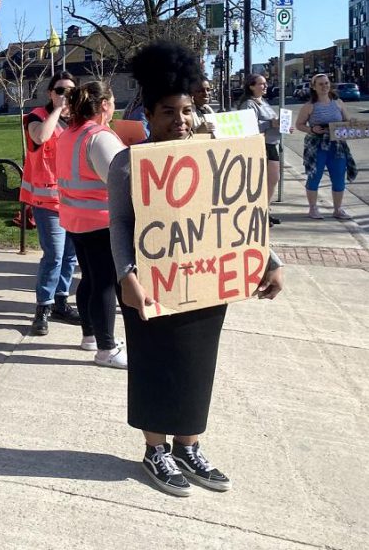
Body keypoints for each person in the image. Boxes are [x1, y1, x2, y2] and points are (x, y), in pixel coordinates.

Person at [109, 41, 284, 497]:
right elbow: (121, 224)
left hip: (207, 280)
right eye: (168, 112)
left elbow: (237, 214)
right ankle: (155, 450)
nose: (180, 121)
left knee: (196, 363)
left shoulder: (213, 154)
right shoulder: (127, 164)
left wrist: (271, 260)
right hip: (149, 283)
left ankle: (188, 445)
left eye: (185, 111)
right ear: (148, 114)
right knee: (153, 362)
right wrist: (127, 275)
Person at [55, 81, 128, 367]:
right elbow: (121, 180)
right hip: (101, 222)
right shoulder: (99, 138)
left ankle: (90, 337)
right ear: (105, 106)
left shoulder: (69, 134)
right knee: (104, 284)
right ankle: (106, 349)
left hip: (75, 220)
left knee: (89, 279)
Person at [21, 72, 81, 336]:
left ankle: (61, 301)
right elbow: (40, 138)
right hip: (47, 201)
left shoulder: (78, 121)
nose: (65, 96)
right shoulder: (37, 117)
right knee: (54, 256)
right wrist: (57, 109)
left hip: (75, 201)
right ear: (50, 93)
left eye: (70, 91)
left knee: (69, 257)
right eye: (60, 90)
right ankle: (42, 308)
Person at [295, 73, 357, 220]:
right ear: (314, 87)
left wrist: (352, 122)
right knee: (314, 176)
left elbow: (347, 121)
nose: (324, 86)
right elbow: (299, 125)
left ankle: (337, 209)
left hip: (337, 145)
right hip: (317, 145)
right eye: (321, 84)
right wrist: (311, 129)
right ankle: (313, 208)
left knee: (338, 177)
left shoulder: (338, 102)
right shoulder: (309, 106)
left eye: (326, 83)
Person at [240, 74, 282, 225]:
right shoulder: (248, 104)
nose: (265, 86)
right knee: (261, 181)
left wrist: (283, 125)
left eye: (265, 84)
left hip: (272, 144)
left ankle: (265, 209)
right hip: (259, 145)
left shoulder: (263, 102)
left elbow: (273, 121)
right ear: (251, 86)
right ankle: (258, 213)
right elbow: (249, 126)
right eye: (261, 84)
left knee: (272, 179)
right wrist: (271, 124)